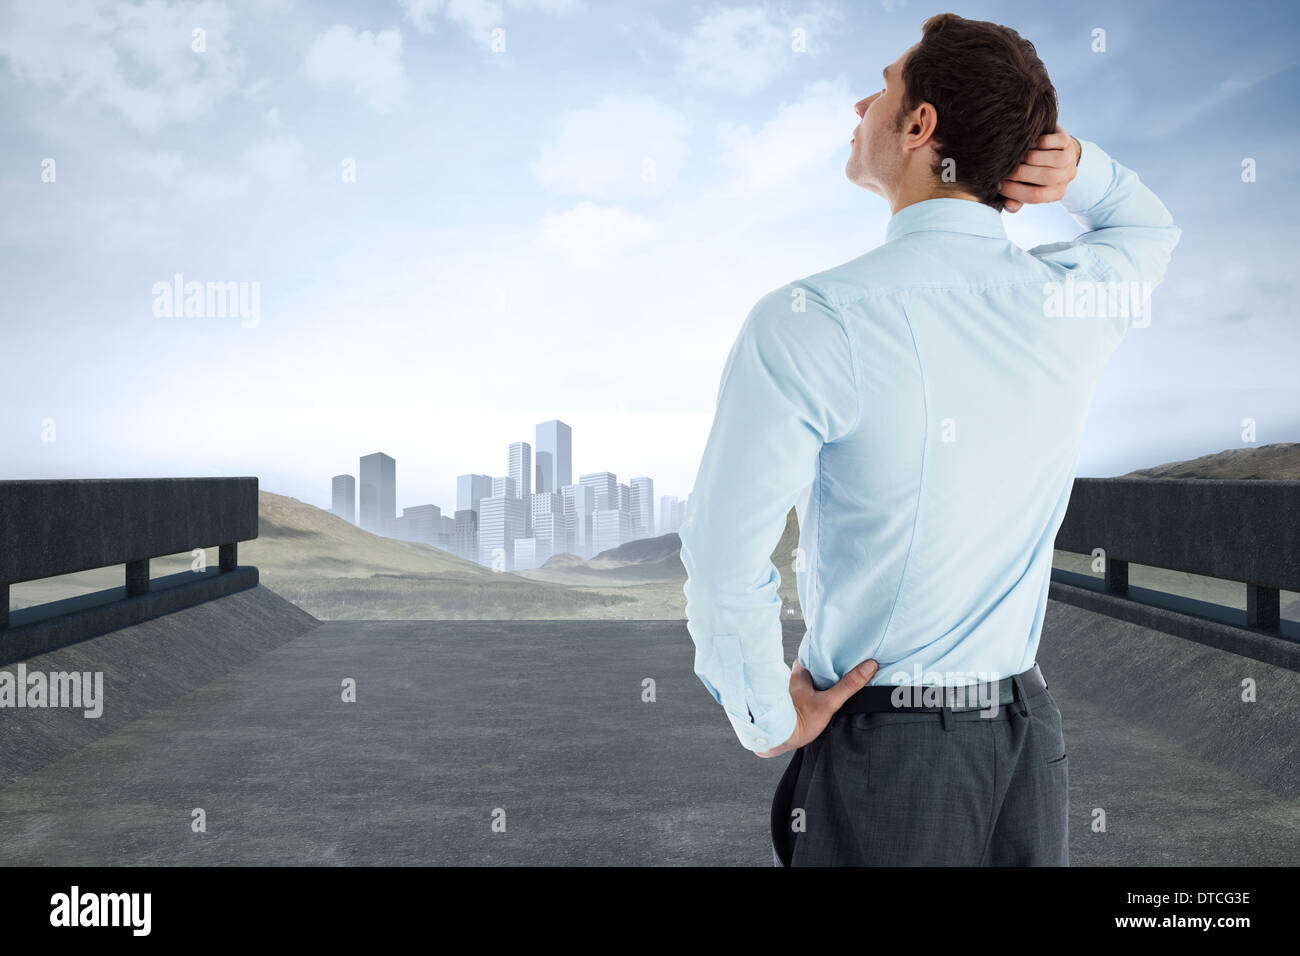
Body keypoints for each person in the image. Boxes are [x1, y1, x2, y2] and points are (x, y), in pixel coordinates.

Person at [678, 12, 1180, 866]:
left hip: (892, 762)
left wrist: (768, 713)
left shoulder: (813, 319)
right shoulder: (1068, 305)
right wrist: (1079, 165)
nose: (862, 98)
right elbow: (1145, 231)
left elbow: (725, 551)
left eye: (884, 84)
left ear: (918, 127)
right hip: (1028, 748)